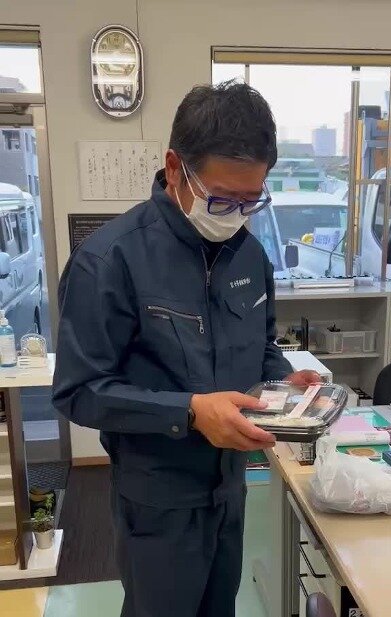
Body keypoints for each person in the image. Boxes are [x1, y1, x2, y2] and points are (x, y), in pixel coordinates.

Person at [53, 81, 320, 617]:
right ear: (175, 168)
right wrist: (191, 412)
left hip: (232, 487)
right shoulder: (109, 260)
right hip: (158, 499)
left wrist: (285, 381)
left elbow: (261, 346)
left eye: (250, 201)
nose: (235, 214)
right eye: (221, 199)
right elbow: (80, 392)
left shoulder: (250, 256)